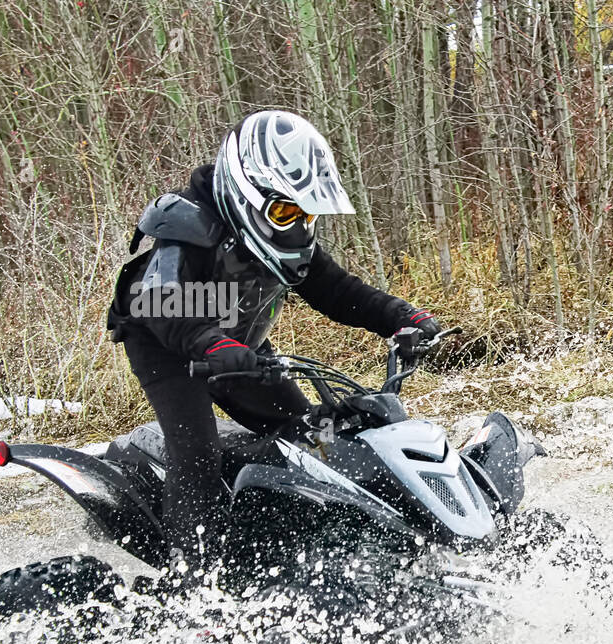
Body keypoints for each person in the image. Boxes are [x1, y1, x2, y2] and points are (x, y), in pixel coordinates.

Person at [106, 110, 439, 580]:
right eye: (284, 211)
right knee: (197, 455)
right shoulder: (186, 229)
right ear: (246, 193)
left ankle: (290, 550)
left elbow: (337, 290)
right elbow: (161, 301)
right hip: (170, 346)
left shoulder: (286, 237)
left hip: (238, 346)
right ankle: (194, 584)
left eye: (306, 212)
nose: (297, 226)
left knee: (311, 437)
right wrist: (208, 343)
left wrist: (401, 317)